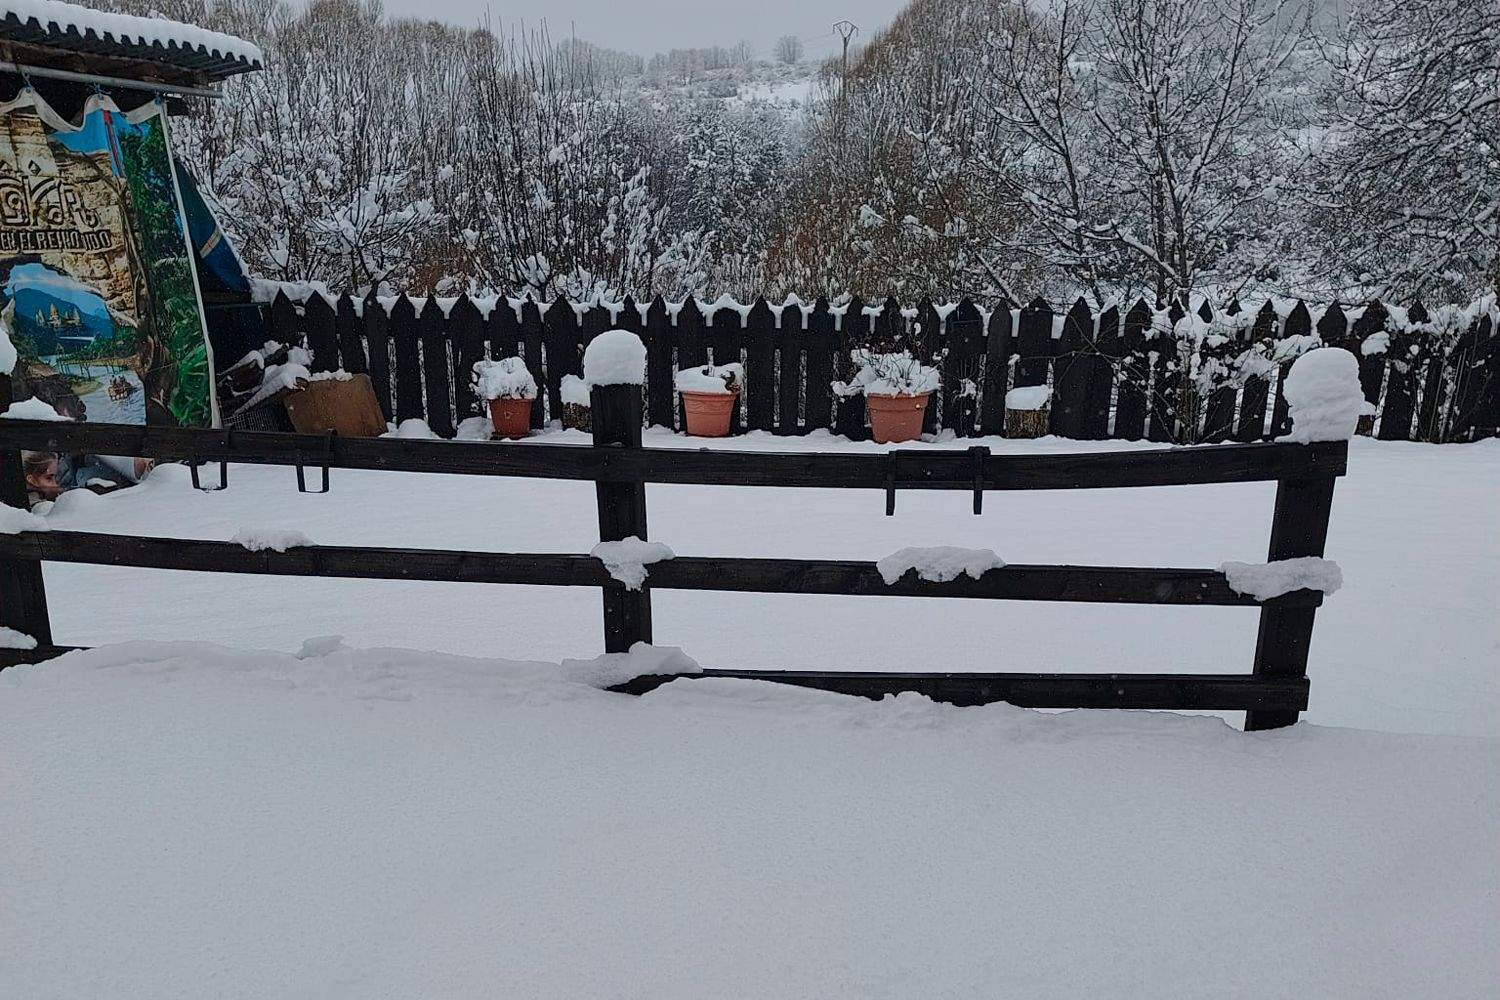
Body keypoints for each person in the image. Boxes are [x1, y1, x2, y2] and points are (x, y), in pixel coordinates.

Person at [23, 451, 153, 505]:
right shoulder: (34, 499)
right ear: (32, 480)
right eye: (49, 478)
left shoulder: (56, 463)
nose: (54, 482)